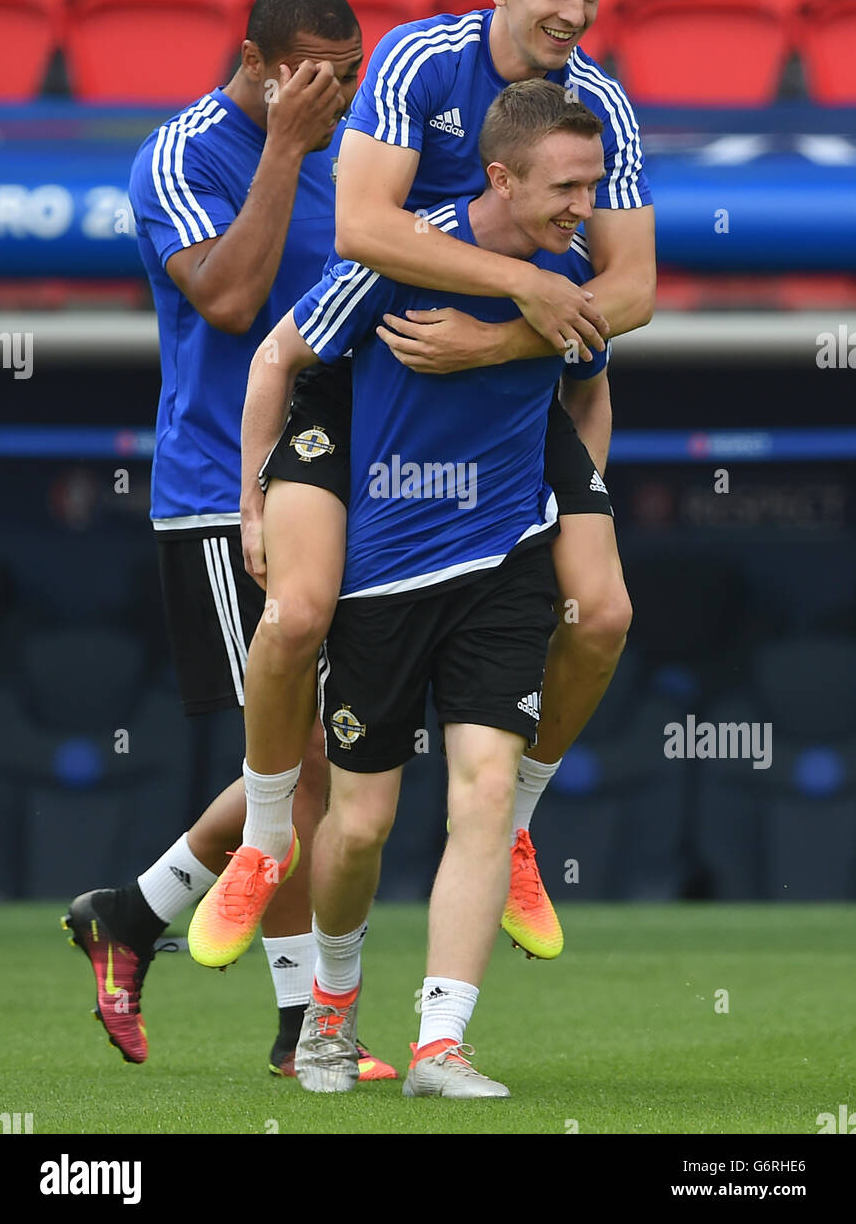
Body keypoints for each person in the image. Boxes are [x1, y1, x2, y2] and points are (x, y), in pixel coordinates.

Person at [190, 0, 654, 970]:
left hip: (505, 390)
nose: (573, 11)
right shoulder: (415, 64)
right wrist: (521, 287)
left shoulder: (603, 109)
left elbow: (628, 291)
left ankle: (519, 818)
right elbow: (363, 228)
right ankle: (262, 840)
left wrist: (502, 337)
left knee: (600, 613)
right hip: (364, 383)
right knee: (297, 613)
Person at [234, 81, 608, 1096]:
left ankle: (440, 1043)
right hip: (387, 568)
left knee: (485, 790)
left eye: (594, 183)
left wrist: (582, 494)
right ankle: (329, 1014)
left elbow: (587, 376)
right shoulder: (395, 255)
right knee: (358, 827)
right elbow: (278, 356)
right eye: (567, 186)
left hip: (504, 559)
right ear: (500, 177)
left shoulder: (572, 271)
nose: (586, 206)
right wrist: (257, 500)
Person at [62, 0, 395, 1081]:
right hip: (221, 491)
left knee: (325, 762)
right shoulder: (184, 153)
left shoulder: (352, 152)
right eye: (323, 74)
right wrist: (286, 150)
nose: (343, 93)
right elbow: (231, 300)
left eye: (354, 73)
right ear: (260, 62)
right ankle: (300, 1027)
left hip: (345, 487)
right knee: (298, 757)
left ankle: (136, 907)